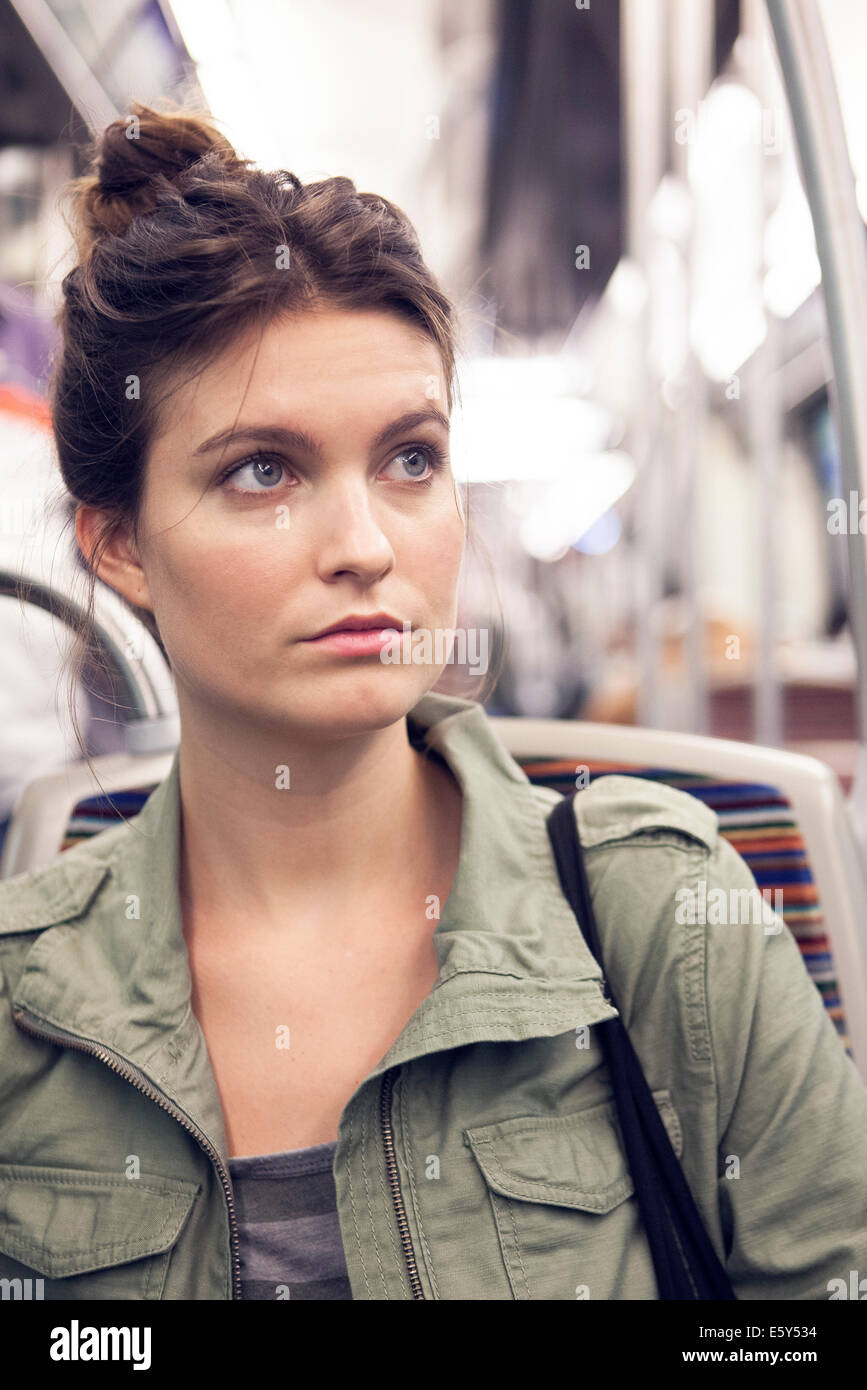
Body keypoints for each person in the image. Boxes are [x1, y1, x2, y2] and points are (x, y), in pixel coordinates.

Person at [0, 102, 865, 1303]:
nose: (365, 545)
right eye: (264, 471)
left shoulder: (657, 917)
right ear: (118, 545)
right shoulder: (23, 1006)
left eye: (410, 458)